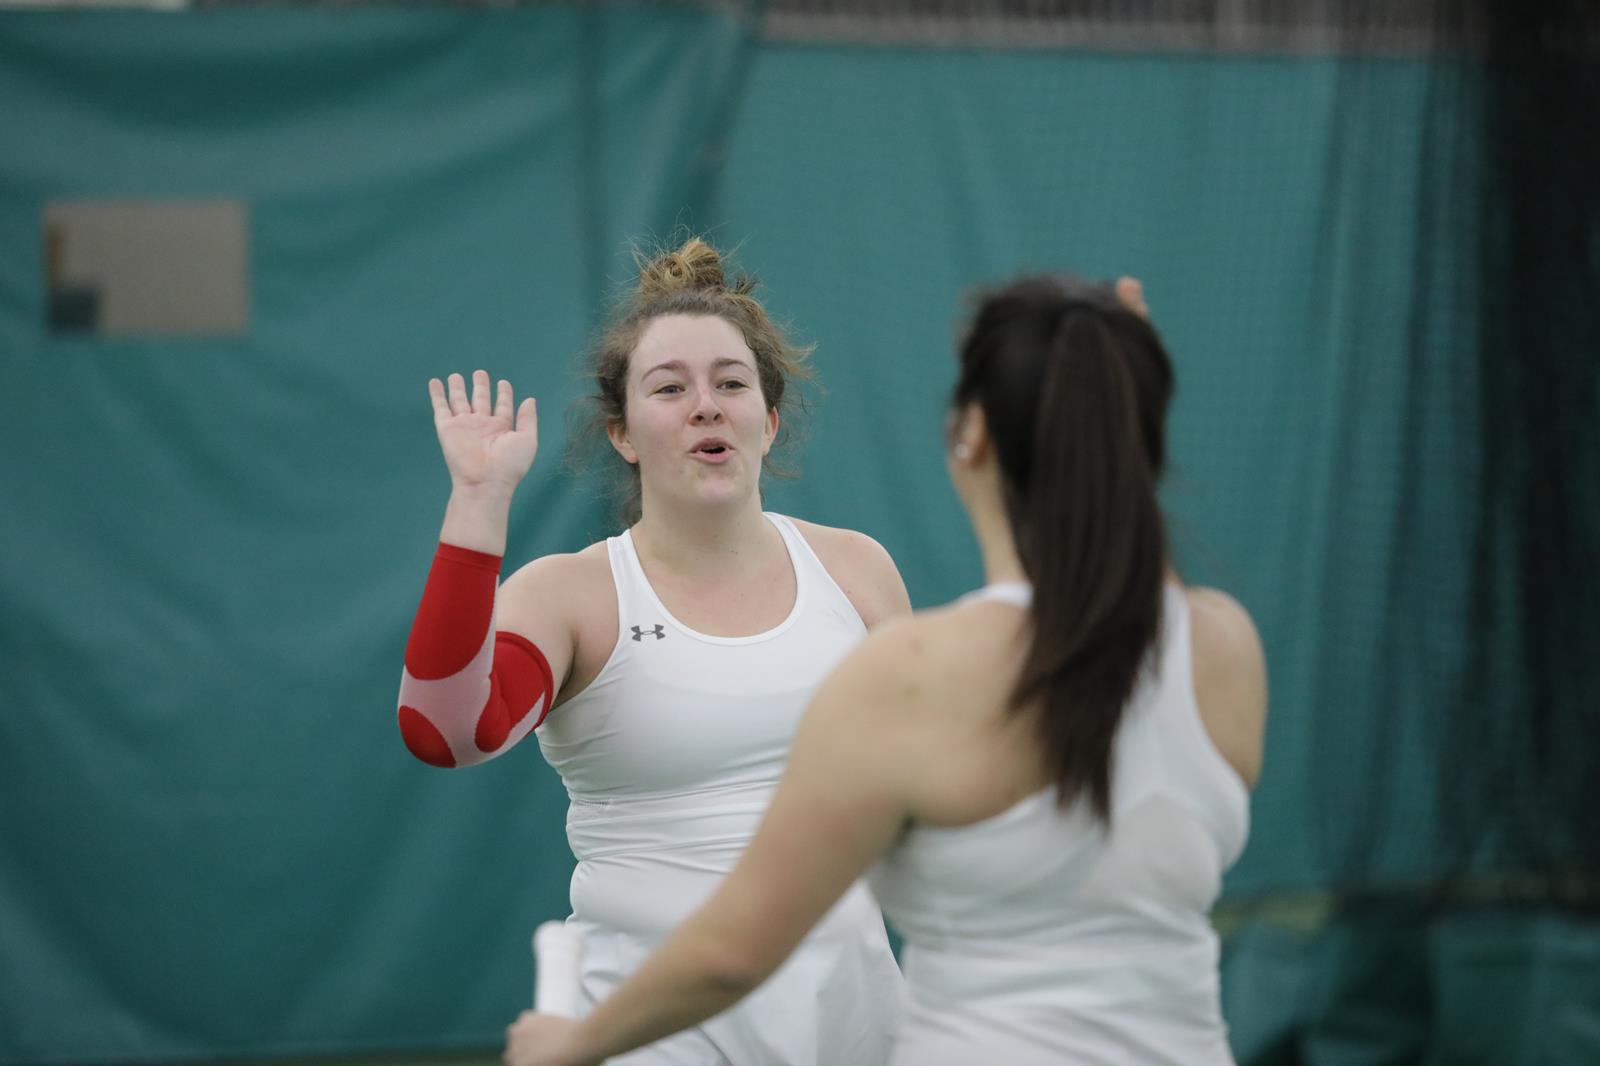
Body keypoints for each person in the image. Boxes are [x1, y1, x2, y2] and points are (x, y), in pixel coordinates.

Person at [504, 273, 1269, 1066]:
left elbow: (735, 951)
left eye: (731, 383)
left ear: (966, 437)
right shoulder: (1225, 650)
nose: (707, 405)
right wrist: (1117, 409)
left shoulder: (907, 674)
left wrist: (573, 1043)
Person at [397, 238, 910, 1064]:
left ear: (769, 420)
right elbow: (444, 734)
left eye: (731, 383)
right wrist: (480, 499)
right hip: (647, 1032)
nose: (705, 405)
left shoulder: (856, 570)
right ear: (623, 433)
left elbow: (933, 786)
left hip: (852, 1021)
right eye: (669, 388)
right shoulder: (573, 594)